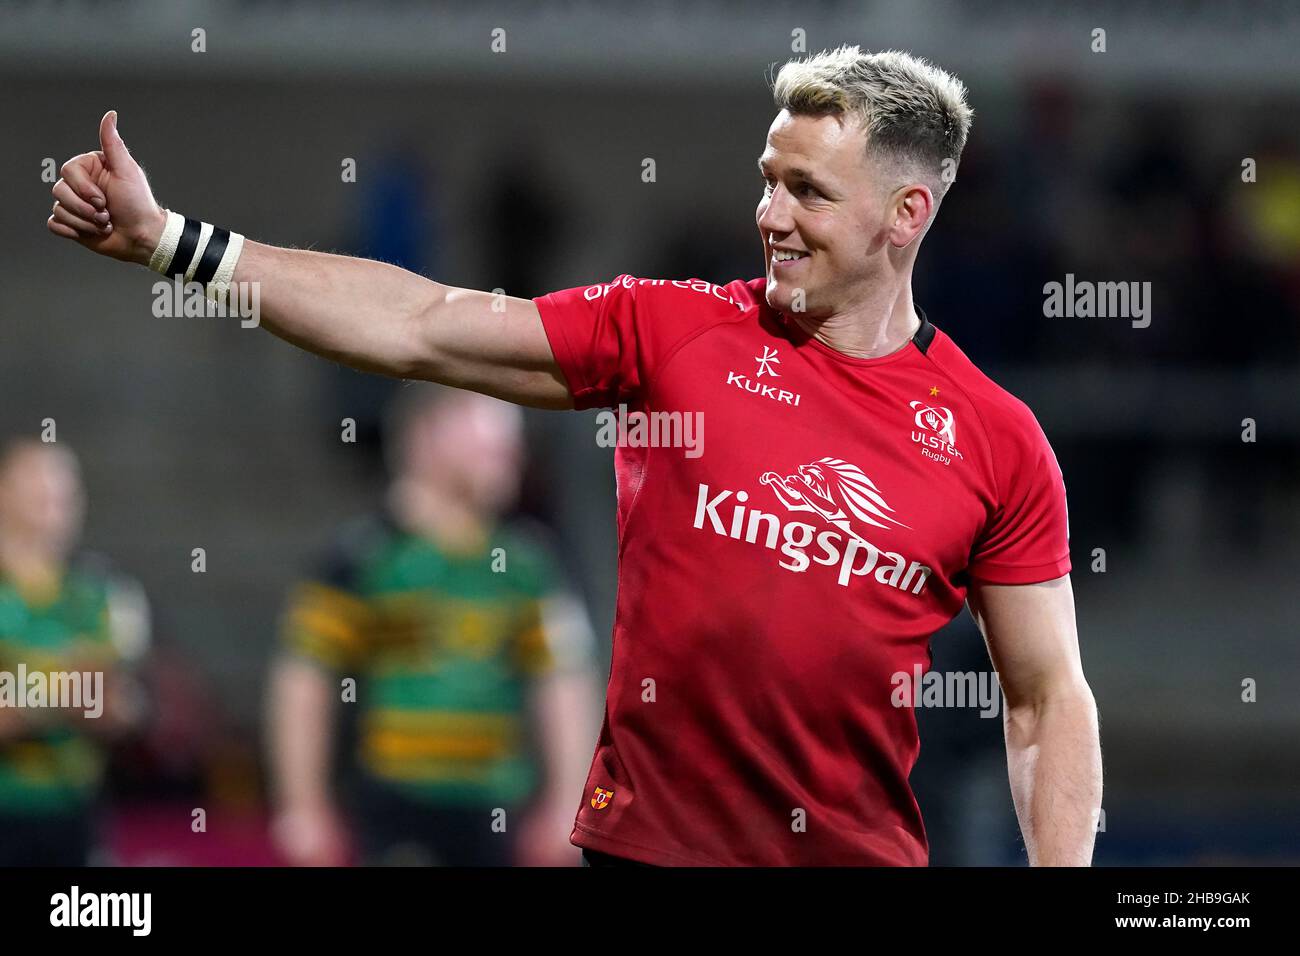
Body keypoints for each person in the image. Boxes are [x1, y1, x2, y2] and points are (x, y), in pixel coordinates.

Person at [47, 45, 1102, 866]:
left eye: (808, 193)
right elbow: (422, 323)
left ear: (905, 215)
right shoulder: (674, 331)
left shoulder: (994, 438)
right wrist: (175, 244)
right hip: (644, 857)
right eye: (767, 179)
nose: (768, 215)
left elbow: (1046, 694)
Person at [267, 386, 596, 866]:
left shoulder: (530, 564)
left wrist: (570, 802)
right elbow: (303, 681)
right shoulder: (362, 559)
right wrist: (302, 805)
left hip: (498, 811)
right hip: (395, 807)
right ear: (428, 435)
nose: (512, 452)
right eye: (493, 442)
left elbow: (564, 682)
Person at [0, 440, 149, 865]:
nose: (54, 506)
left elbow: (122, 706)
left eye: (64, 495)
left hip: (76, 812)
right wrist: (67, 688)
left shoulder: (102, 593)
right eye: (39, 492)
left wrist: (29, 695)